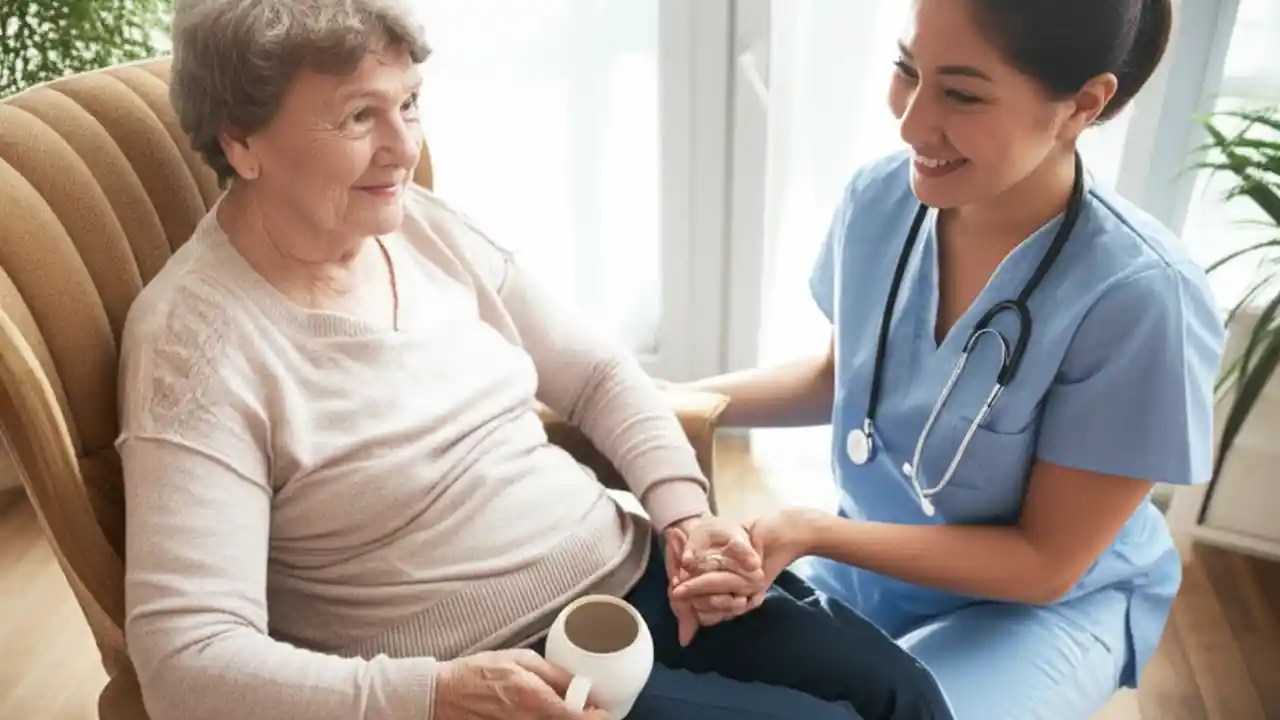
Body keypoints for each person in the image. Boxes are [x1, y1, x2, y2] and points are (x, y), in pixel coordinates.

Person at [118, 1, 955, 719]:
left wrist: (685, 518)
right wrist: (434, 694)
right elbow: (185, 661)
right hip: (495, 676)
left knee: (902, 693)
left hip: (634, 572)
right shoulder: (197, 348)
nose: (402, 147)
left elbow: (596, 373)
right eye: (357, 117)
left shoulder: (419, 225)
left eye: (409, 103)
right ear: (242, 141)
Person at [672, 0, 1226, 718]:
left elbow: (1045, 562)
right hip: (874, 569)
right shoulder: (881, 197)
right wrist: (667, 400)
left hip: (1039, 608)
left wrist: (812, 530)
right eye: (907, 69)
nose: (910, 123)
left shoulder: (1143, 297)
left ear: (1083, 105)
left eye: (961, 94)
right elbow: (843, 378)